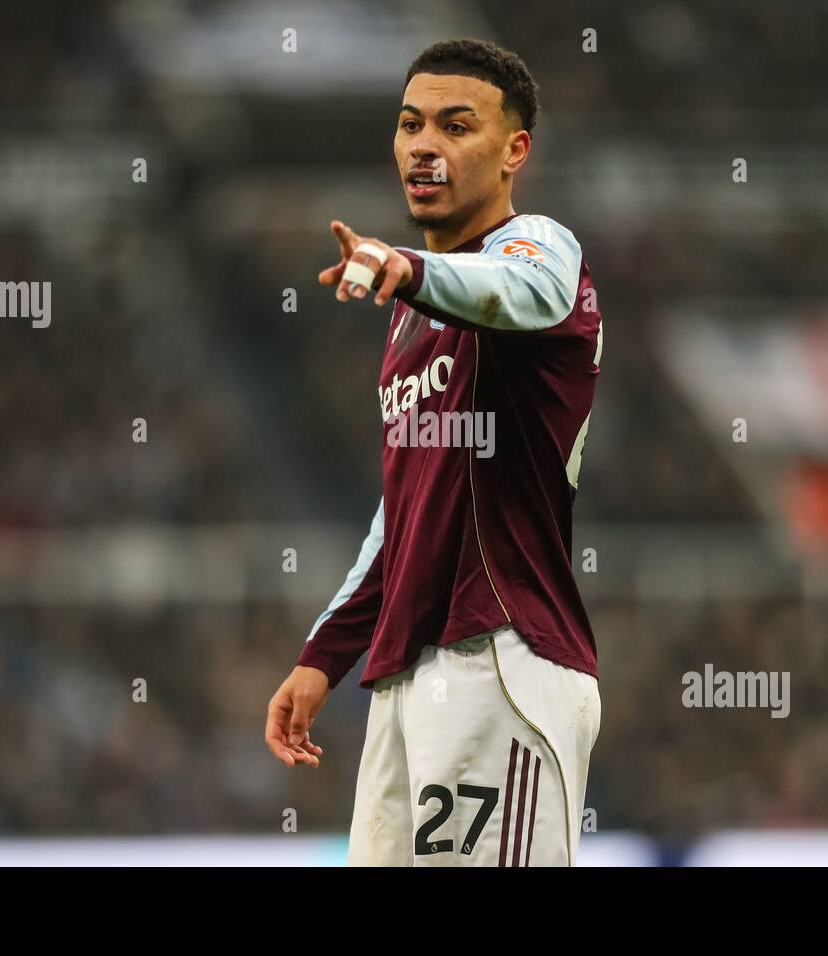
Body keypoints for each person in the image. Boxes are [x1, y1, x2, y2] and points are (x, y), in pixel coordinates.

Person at [265, 38, 603, 867]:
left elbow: (522, 291)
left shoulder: (540, 247)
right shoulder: (409, 317)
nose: (425, 145)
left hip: (501, 658)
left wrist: (406, 266)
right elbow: (403, 509)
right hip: (407, 673)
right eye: (411, 124)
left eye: (457, 126)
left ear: (514, 149)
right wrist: (325, 652)